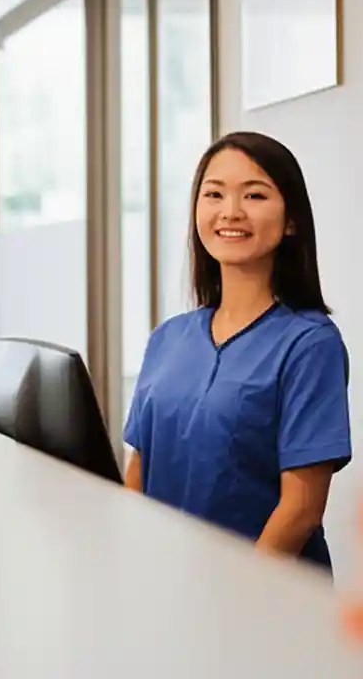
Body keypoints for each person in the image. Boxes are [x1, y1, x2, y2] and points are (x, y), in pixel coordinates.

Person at [123, 131, 351, 573]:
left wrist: (239, 596)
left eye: (254, 195)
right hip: (166, 586)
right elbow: (139, 473)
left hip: (265, 601)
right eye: (214, 194)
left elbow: (301, 509)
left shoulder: (309, 343)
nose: (231, 211)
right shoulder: (168, 338)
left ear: (291, 221)